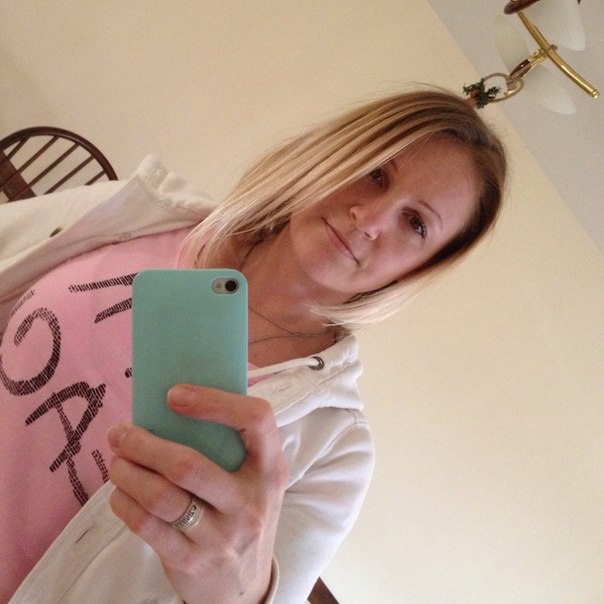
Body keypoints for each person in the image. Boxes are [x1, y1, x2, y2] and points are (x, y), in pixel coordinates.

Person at [0, 87, 506, 603]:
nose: (370, 219)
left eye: (415, 223)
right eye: (376, 173)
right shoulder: (143, 213)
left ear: (417, 268)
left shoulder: (334, 449)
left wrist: (239, 589)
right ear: (337, 154)